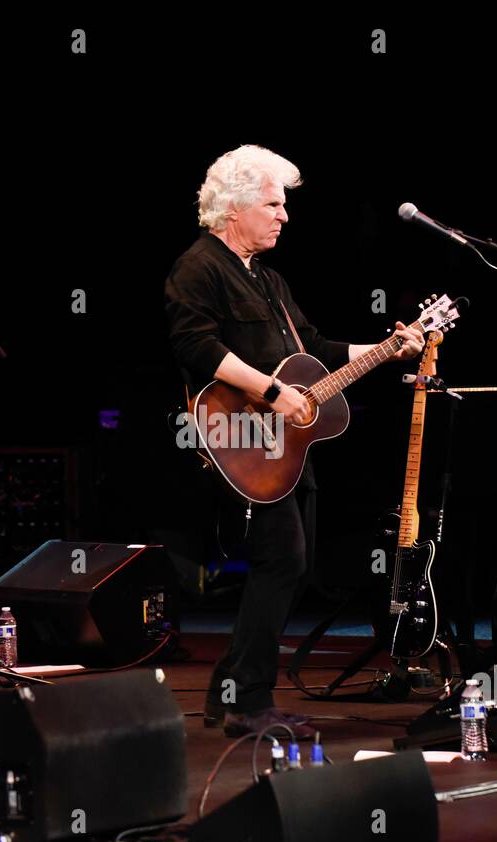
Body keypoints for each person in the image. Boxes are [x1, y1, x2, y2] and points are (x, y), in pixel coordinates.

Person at [166, 145, 423, 737]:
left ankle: (230, 691)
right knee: (283, 560)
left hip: (285, 447)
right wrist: (271, 391)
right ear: (234, 207)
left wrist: (388, 348)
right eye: (273, 203)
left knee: (291, 565)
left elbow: (315, 353)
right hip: (241, 438)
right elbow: (195, 346)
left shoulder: (271, 280)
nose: (284, 215)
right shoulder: (198, 266)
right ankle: (247, 704)